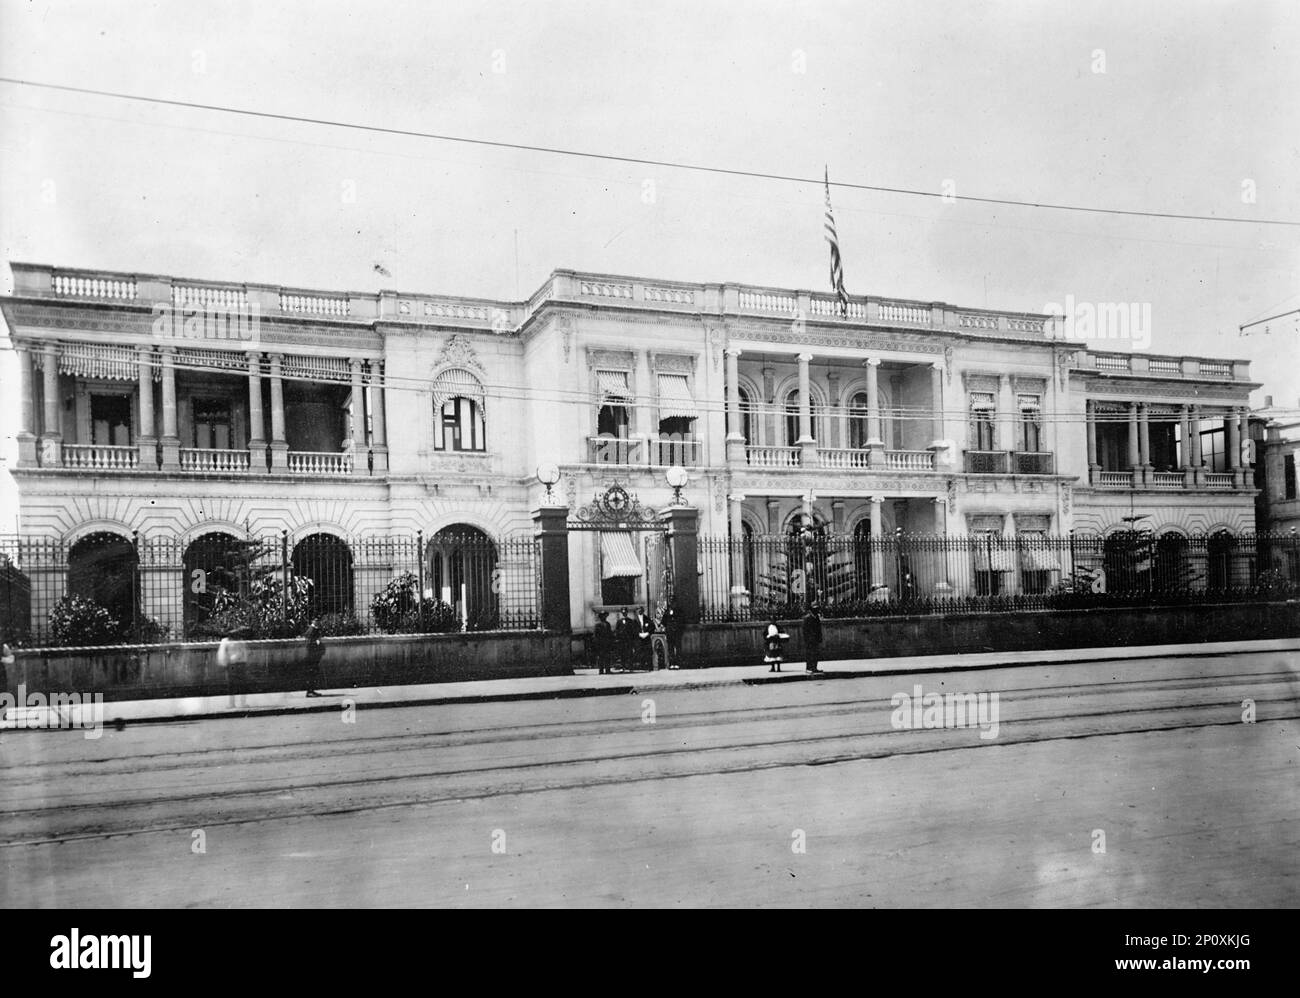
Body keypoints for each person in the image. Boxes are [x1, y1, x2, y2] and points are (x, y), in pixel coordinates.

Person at [218, 628, 250, 709]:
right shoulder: (226, 641)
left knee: (240, 684)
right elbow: (223, 653)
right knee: (232, 684)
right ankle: (234, 703)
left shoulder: (238, 641)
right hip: (233, 664)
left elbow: (244, 651)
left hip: (237, 664)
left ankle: (239, 703)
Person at [303, 617, 326, 697]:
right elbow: (310, 644)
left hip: (312, 657)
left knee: (313, 674)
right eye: (317, 620)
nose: (319, 622)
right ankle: (310, 691)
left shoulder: (312, 630)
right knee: (311, 674)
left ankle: (311, 690)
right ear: (314, 621)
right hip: (311, 657)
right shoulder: (312, 631)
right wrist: (318, 644)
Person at [661, 601, 683, 669]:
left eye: (674, 602)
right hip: (669, 632)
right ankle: (671, 663)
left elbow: (681, 621)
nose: (673, 604)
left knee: (678, 648)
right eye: (671, 603)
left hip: (677, 632)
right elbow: (663, 621)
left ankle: (677, 663)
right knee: (670, 648)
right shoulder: (667, 611)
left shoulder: (679, 611)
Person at [802, 603, 824, 673]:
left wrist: (820, 637)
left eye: (817, 609)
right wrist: (807, 639)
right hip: (810, 640)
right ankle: (809, 668)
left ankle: (814, 667)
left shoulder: (816, 617)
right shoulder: (807, 618)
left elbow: (819, 628)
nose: (816, 611)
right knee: (809, 654)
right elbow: (805, 630)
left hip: (816, 639)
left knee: (816, 654)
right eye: (815, 609)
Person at [592, 610, 614, 674]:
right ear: (600, 617)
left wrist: (611, 641)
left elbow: (610, 634)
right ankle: (601, 670)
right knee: (600, 657)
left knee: (607, 657)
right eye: (603, 616)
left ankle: (607, 670)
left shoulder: (608, 624)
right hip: (600, 644)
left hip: (607, 643)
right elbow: (595, 635)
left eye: (605, 616)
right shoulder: (597, 625)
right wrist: (596, 644)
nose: (604, 617)